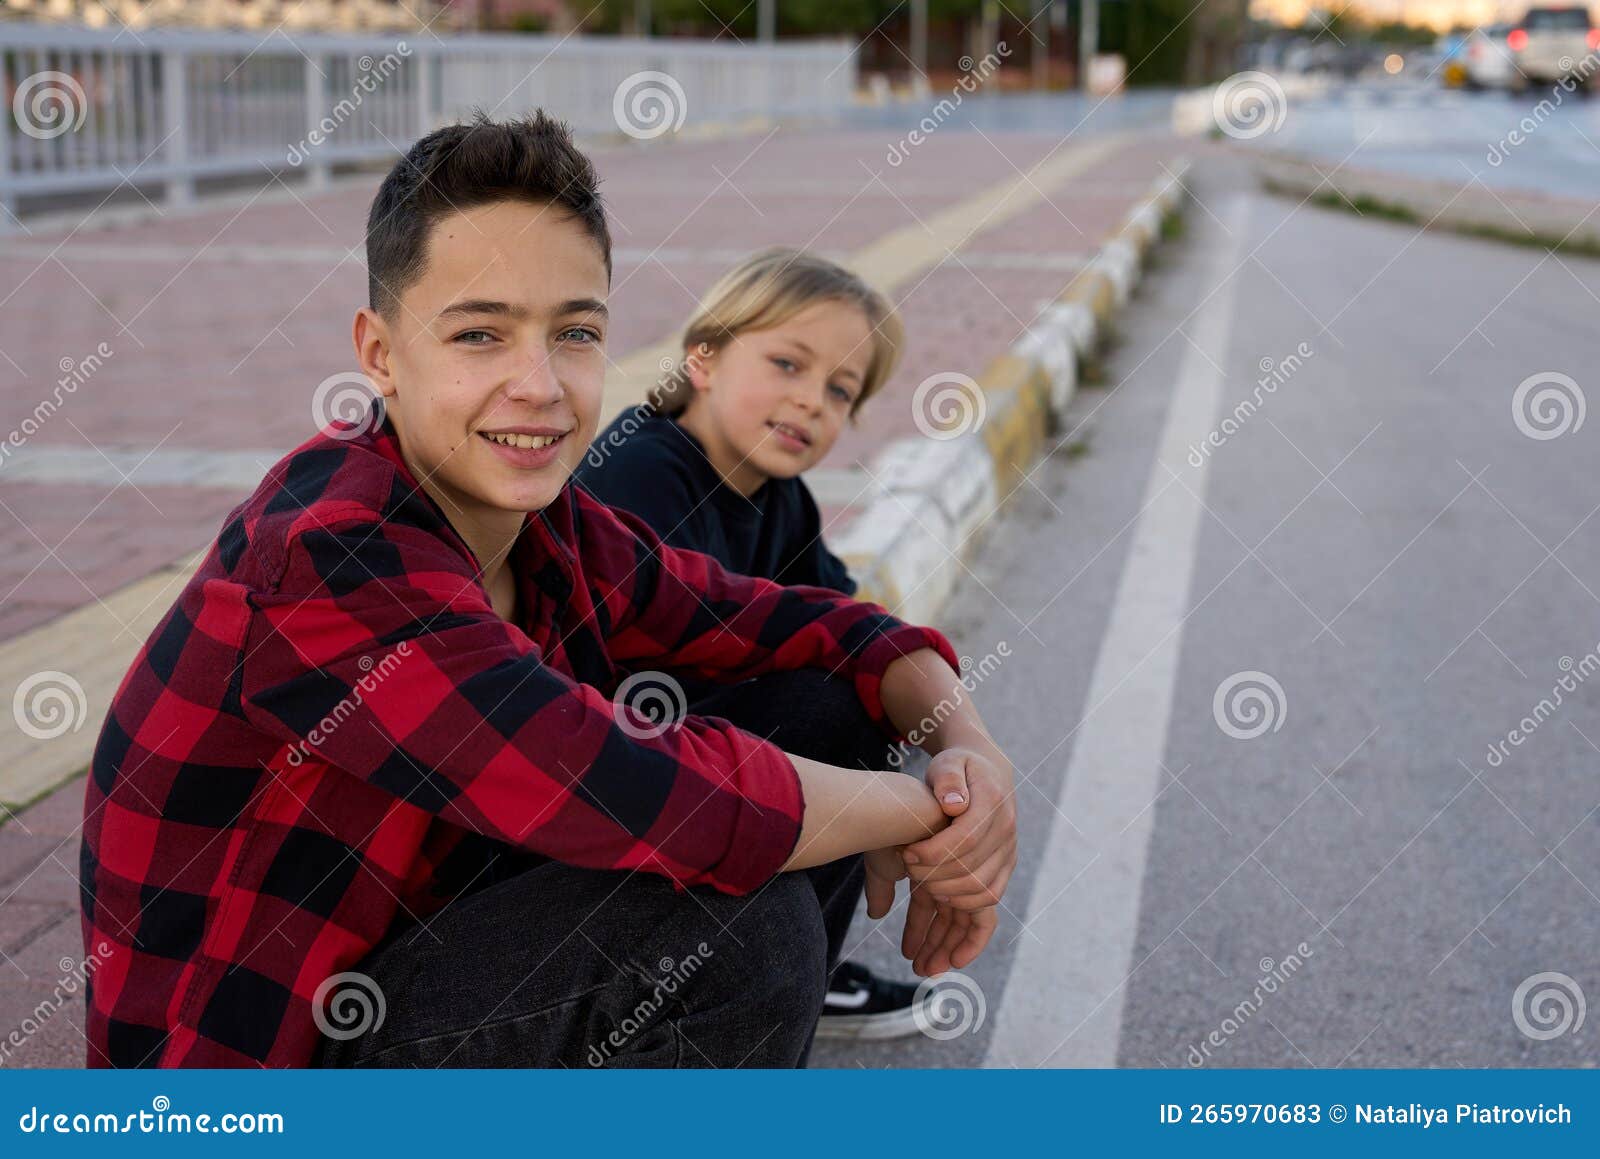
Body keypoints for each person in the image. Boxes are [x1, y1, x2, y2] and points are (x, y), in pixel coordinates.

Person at [79, 112, 1016, 1069]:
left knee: (820, 708)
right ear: (379, 353)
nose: (540, 385)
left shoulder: (550, 527)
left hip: (415, 951)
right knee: (734, 933)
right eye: (479, 334)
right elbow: (631, 785)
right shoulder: (330, 554)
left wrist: (970, 753)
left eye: (573, 333)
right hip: (259, 1059)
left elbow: (803, 628)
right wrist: (926, 816)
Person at [575, 247, 940, 1040]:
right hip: (601, 785)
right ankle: (746, 982)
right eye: (786, 363)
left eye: (840, 390)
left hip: (703, 763)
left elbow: (852, 624)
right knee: (832, 711)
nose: (811, 400)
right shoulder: (641, 472)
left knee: (859, 704)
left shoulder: (782, 500)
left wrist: (949, 734)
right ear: (703, 358)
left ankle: (804, 967)